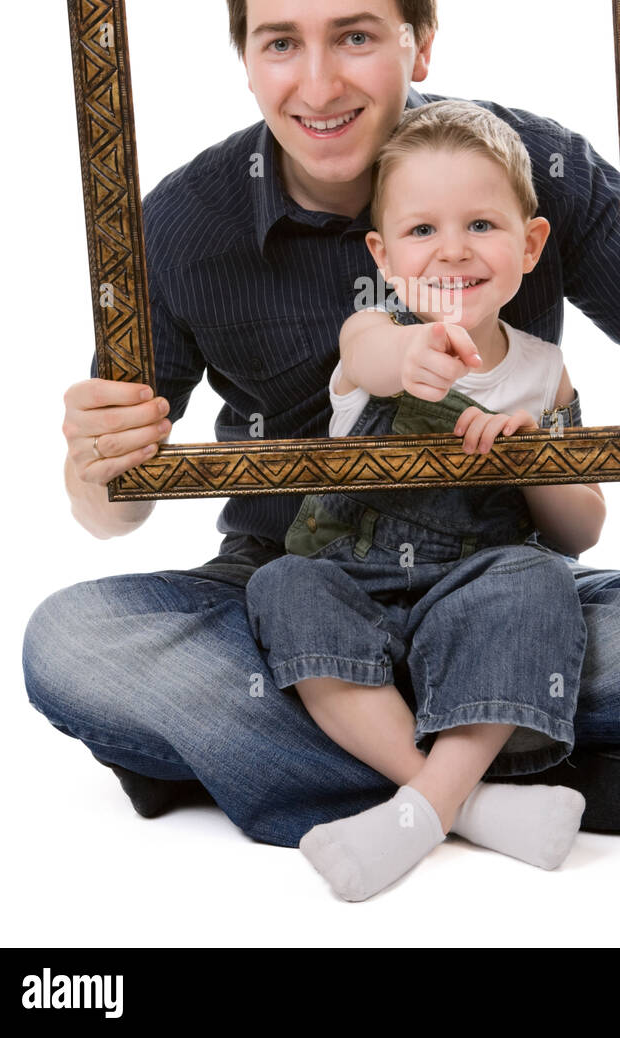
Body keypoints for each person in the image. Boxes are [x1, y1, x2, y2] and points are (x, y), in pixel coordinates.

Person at [24, 0, 620, 862]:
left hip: (499, 585)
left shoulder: (530, 169)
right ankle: (511, 781)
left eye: (355, 35)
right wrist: (95, 472)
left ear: (420, 41)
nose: (319, 83)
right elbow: (115, 508)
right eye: (280, 42)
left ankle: (288, 765)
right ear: (247, 58)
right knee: (69, 641)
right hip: (288, 591)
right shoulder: (184, 222)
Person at [246, 100, 600, 901]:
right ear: (383, 253)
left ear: (530, 244)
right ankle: (457, 803)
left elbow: (581, 532)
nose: (452, 251)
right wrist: (412, 355)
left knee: (542, 581)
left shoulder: (544, 373)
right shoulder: (372, 331)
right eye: (420, 232)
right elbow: (370, 358)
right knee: (280, 587)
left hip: (475, 600)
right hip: (352, 583)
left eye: (481, 225)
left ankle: (415, 803)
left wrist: (533, 461)